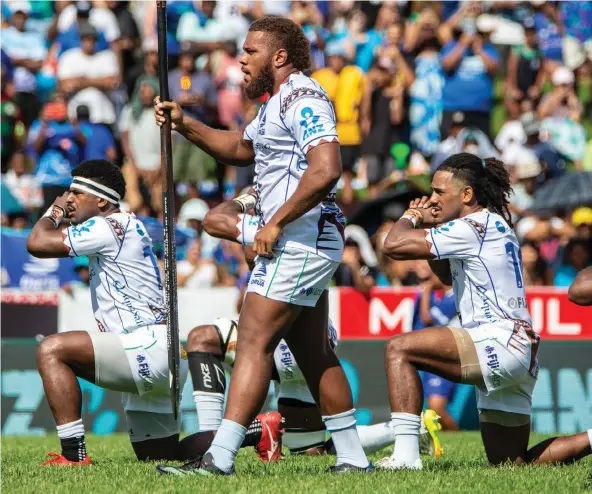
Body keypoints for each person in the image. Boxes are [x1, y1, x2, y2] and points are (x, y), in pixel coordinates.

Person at [154, 16, 371, 475]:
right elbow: (239, 148)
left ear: (279, 57)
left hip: (299, 239)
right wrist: (184, 124)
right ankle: (353, 458)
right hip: (308, 239)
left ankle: (219, 457)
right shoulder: (275, 104)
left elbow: (327, 167)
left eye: (250, 51)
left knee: (252, 339)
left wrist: (275, 221)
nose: (241, 59)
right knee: (313, 352)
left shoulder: (304, 97)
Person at [169, 194, 442, 462]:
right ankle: (402, 429)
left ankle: (214, 437)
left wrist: (246, 201)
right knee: (310, 453)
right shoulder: (308, 211)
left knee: (202, 339)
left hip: (287, 327)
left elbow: (226, 227)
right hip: (307, 326)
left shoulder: (278, 210)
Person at [377, 152, 592, 470]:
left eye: (440, 192)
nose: (433, 199)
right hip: (521, 350)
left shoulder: (473, 227)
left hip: (497, 340)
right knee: (512, 464)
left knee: (399, 349)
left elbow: (392, 245)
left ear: (466, 194)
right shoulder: (491, 225)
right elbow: (448, 276)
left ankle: (406, 457)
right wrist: (436, 225)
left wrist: (413, 217)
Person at [26, 159, 188, 466]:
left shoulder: (104, 226)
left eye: (76, 193)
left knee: (51, 350)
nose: (68, 198)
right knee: (163, 456)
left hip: (146, 346)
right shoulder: (126, 224)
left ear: (101, 200)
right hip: (164, 350)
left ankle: (74, 456)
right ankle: (258, 431)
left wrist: (55, 211)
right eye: (67, 194)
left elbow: (37, 243)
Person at [312, 41, 368, 205]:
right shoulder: (320, 77)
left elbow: (364, 99)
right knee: (326, 172)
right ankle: (326, 206)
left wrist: (365, 119)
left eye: (338, 58)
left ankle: (347, 206)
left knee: (348, 173)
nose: (335, 61)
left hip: (349, 132)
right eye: (332, 58)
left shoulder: (354, 74)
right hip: (326, 133)